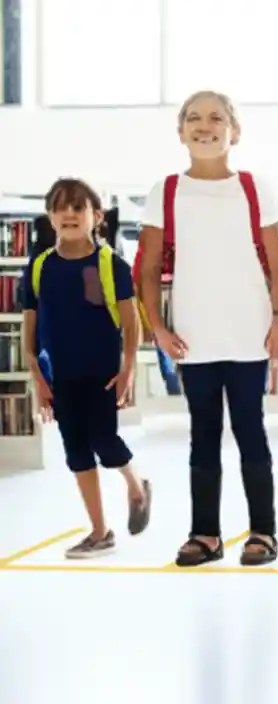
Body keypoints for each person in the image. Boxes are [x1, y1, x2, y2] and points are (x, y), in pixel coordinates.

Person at [138, 90, 278, 567]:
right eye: (194, 118)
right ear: (181, 131)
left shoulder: (252, 187)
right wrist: (158, 329)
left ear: (234, 131)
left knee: (251, 431)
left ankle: (263, 532)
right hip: (193, 337)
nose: (205, 125)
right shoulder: (164, 192)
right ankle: (205, 534)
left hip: (249, 333)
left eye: (216, 118)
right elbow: (144, 273)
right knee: (202, 435)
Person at [22, 178, 151, 558]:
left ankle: (136, 484)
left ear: (96, 216)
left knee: (105, 442)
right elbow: (30, 325)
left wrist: (128, 369)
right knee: (75, 451)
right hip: (60, 375)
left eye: (78, 207)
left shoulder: (111, 264)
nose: (69, 214)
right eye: (60, 207)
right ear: (49, 216)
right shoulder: (39, 266)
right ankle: (100, 531)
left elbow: (131, 324)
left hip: (102, 372)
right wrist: (37, 376)